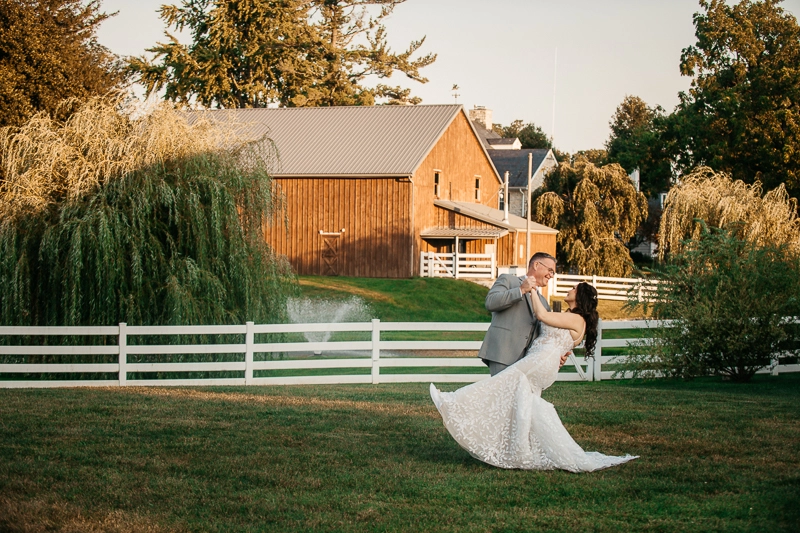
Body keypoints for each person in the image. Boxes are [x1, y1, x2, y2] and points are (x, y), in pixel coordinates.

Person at [430, 282, 638, 472]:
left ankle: (452, 401)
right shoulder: (570, 316)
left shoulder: (577, 318)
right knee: (524, 404)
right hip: (541, 359)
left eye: (574, 288)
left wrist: (531, 289)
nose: (570, 289)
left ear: (580, 297)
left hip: (541, 361)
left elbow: (542, 315)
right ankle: (522, 451)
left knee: (502, 383)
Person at [479, 252, 568, 376]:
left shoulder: (543, 303)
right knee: (503, 395)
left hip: (529, 361)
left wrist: (555, 354)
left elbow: (545, 334)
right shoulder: (508, 280)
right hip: (503, 354)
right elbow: (490, 302)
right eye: (550, 270)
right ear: (536, 265)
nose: (551, 275)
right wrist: (521, 290)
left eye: (553, 272)